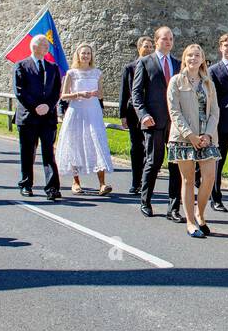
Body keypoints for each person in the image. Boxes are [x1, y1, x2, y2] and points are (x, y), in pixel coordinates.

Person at [168, 44, 221, 237]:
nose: (193, 58)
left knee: (209, 177)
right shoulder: (176, 81)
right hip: (184, 139)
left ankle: (200, 212)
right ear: (184, 58)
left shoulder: (208, 83)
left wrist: (207, 134)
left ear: (202, 59)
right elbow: (174, 111)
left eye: (197, 55)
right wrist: (190, 135)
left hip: (207, 138)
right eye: (190, 55)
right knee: (188, 180)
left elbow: (215, 111)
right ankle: (190, 221)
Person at [133, 26, 183, 220]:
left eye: (171, 38)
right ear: (156, 41)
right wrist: (143, 114)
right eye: (164, 39)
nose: (168, 42)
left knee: (176, 165)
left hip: (176, 123)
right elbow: (136, 93)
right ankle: (145, 201)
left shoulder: (178, 64)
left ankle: (174, 208)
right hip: (154, 121)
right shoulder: (146, 63)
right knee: (153, 162)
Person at [56, 42, 114, 196]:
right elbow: (63, 95)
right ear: (78, 55)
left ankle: (102, 183)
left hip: (93, 111)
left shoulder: (97, 73)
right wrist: (79, 94)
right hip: (77, 110)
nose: (86, 56)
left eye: (88, 53)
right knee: (75, 144)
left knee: (97, 143)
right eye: (83, 53)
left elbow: (101, 94)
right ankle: (76, 182)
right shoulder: (71, 73)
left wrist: (96, 93)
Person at [14, 34, 62, 201]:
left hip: (48, 117)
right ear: (34, 46)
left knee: (49, 153)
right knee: (28, 152)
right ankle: (26, 184)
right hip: (28, 117)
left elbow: (57, 91)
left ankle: (52, 187)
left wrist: (48, 106)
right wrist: (35, 107)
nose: (46, 47)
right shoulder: (21, 66)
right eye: (43, 44)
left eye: (47, 45)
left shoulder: (53, 67)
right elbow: (20, 91)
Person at [207, 33, 228, 213]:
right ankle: (216, 198)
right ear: (220, 48)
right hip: (222, 123)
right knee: (219, 162)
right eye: (226, 45)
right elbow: (211, 98)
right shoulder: (214, 70)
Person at [119, 35, 154, 197]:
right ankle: (135, 182)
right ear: (139, 48)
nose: (148, 49)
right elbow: (125, 92)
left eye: (151, 47)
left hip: (151, 113)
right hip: (134, 113)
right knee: (136, 148)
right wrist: (122, 115)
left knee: (150, 149)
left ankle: (146, 182)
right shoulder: (130, 68)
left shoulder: (155, 66)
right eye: (145, 46)